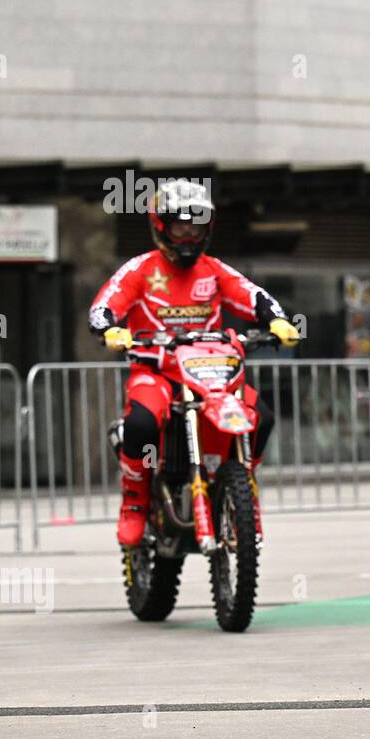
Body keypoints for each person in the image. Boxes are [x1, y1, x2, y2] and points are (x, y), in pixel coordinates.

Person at [88, 179, 301, 549]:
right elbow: (104, 305)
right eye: (180, 228)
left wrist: (277, 320)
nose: (188, 237)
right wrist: (109, 330)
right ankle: (134, 503)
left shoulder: (214, 270)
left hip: (212, 377)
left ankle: (243, 484)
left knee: (262, 416)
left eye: (195, 229)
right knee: (140, 424)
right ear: (160, 227)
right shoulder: (140, 270)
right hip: (155, 374)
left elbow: (250, 294)